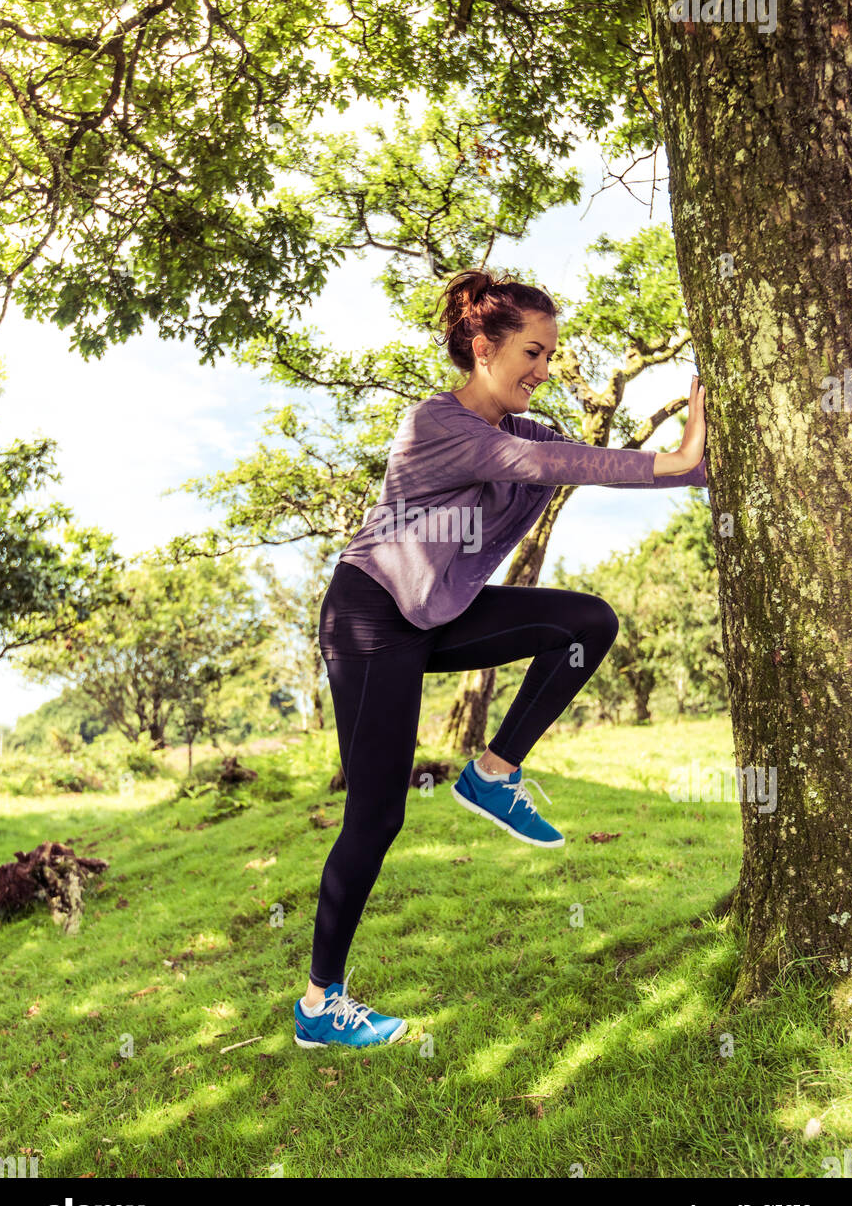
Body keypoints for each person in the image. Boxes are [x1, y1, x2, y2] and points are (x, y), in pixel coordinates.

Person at [294, 268, 707, 1049]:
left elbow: (606, 464)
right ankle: (320, 1004)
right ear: (482, 348)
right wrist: (678, 459)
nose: (545, 370)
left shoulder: (529, 435)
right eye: (533, 351)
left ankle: (491, 774)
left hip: (438, 612)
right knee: (375, 816)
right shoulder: (435, 426)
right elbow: (564, 468)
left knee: (585, 622)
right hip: (372, 615)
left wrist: (717, 460)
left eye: (550, 355)